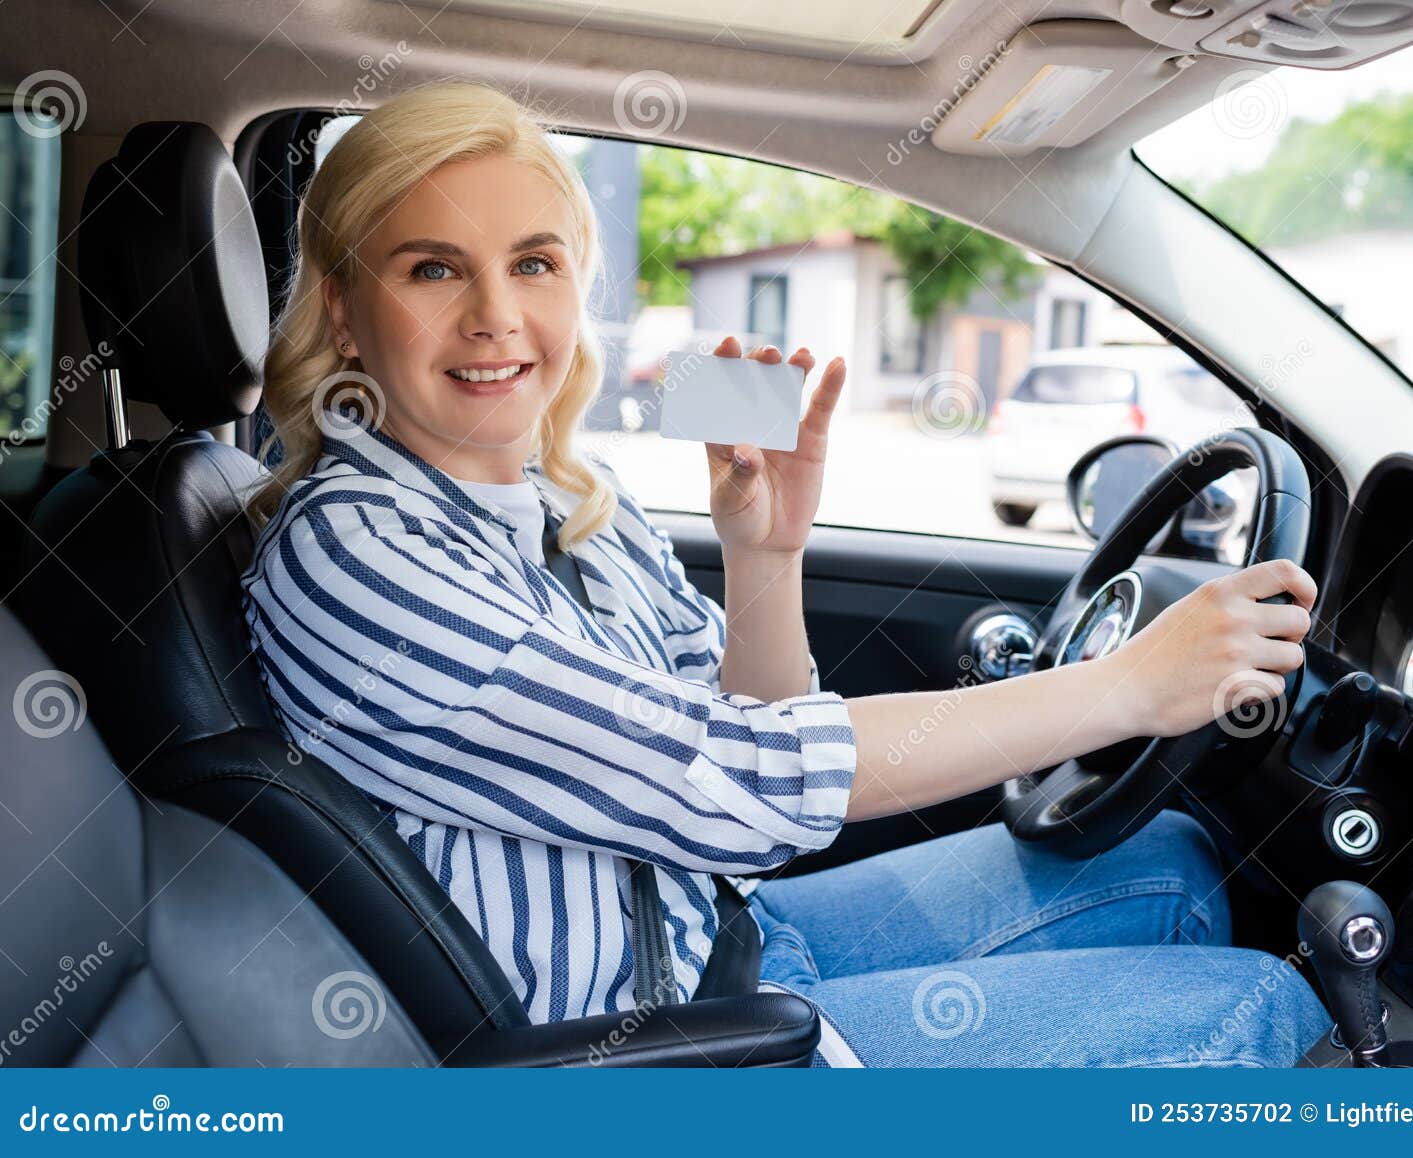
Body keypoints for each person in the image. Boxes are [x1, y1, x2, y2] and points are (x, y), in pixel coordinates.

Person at [240, 80, 1330, 1066]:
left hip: (730, 941)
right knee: (1253, 1008)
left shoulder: (570, 498)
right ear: (341, 306)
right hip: (650, 1060)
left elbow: (744, 716)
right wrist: (1125, 686)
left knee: (1172, 864)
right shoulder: (354, 549)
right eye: (433, 268)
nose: (496, 316)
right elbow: (742, 781)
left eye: (533, 262)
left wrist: (767, 551)